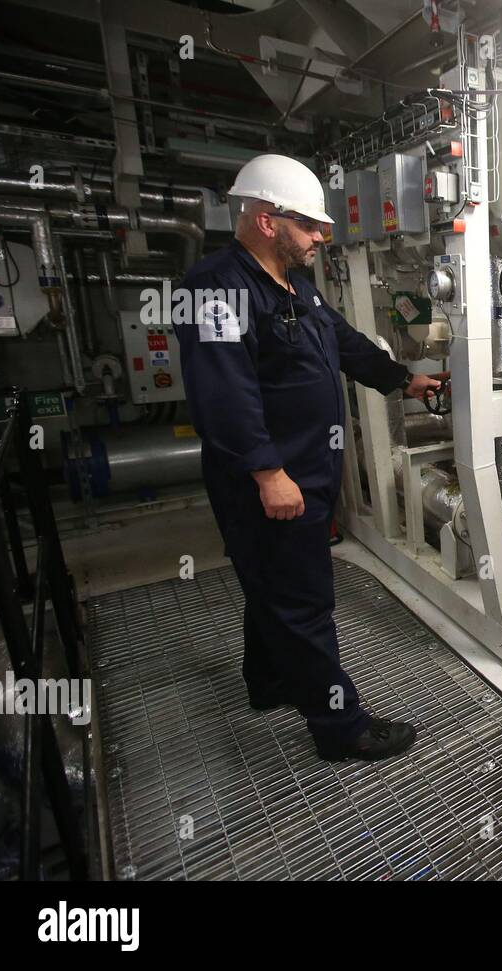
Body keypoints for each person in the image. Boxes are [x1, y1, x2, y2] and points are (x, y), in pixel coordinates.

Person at [175, 154, 439, 762]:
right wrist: (268, 472)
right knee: (305, 602)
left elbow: (341, 341)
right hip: (269, 482)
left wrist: (401, 379)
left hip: (309, 473)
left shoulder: (295, 283)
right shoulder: (213, 289)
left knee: (274, 588)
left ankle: (267, 683)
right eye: (311, 225)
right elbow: (223, 392)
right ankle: (341, 729)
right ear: (268, 220)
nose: (324, 235)